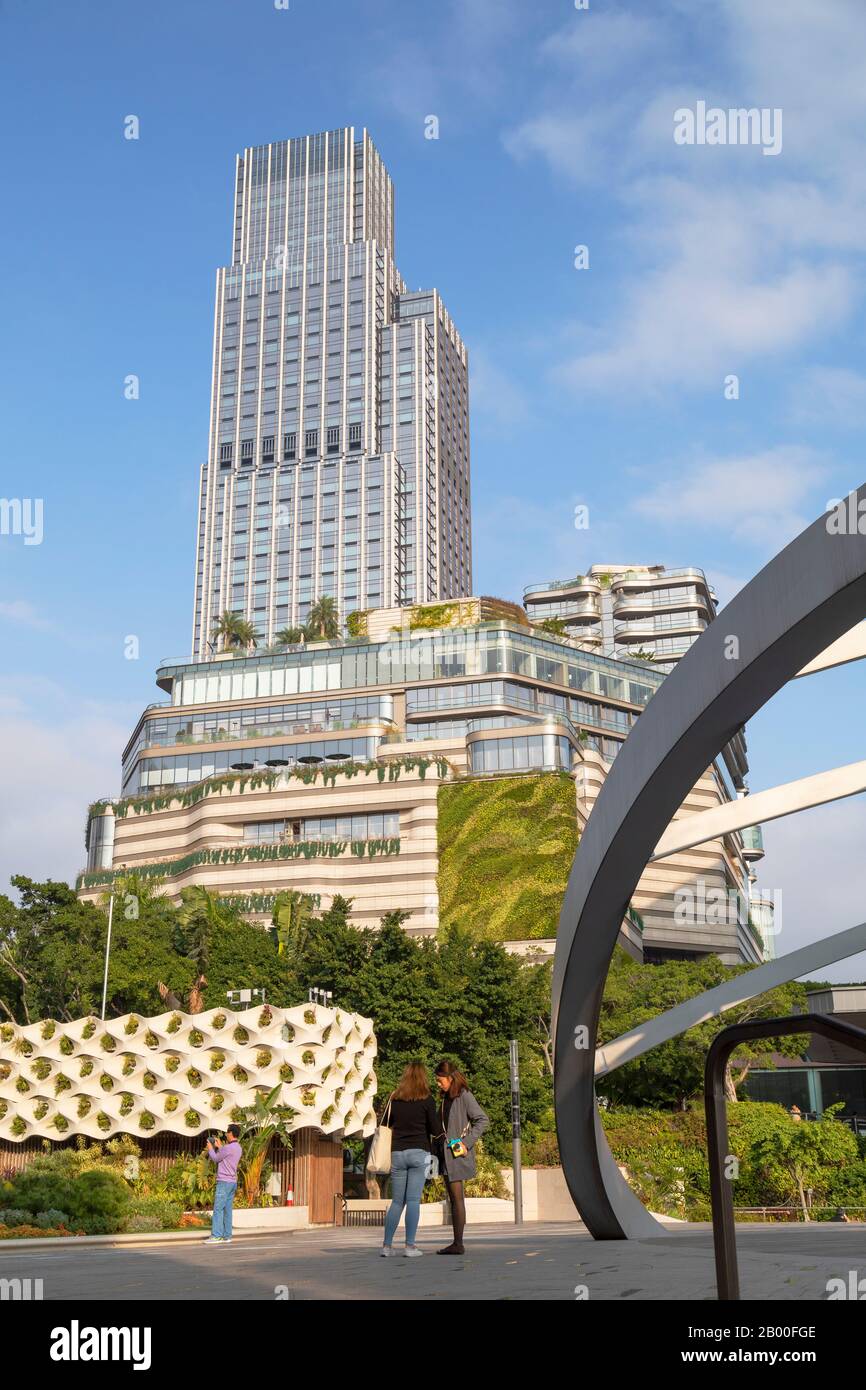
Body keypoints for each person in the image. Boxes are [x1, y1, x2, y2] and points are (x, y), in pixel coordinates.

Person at [381, 1061, 440, 1258]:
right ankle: (410, 1247)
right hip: (419, 1153)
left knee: (397, 1201)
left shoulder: (395, 1099)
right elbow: (435, 1129)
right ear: (423, 1078)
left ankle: (387, 1247)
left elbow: (386, 1123)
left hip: (397, 1153)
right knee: (413, 1200)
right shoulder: (427, 1100)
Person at [434, 1060, 489, 1256]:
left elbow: (482, 1120)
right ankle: (457, 1242)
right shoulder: (445, 1098)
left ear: (450, 1078)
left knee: (457, 1199)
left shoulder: (464, 1096)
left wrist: (466, 1143)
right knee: (454, 1199)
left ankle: (458, 1243)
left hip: (457, 1155)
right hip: (446, 1155)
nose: (438, 1083)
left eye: (440, 1080)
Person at [204, 1123, 243, 1244]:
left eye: (227, 1132)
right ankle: (227, 1235)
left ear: (231, 1133)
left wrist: (211, 1148)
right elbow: (226, 1157)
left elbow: (216, 1158)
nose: (226, 1134)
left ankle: (216, 1235)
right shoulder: (238, 1147)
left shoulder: (228, 1148)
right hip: (232, 1182)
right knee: (227, 1209)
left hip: (223, 1182)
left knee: (218, 1209)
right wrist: (220, 1146)